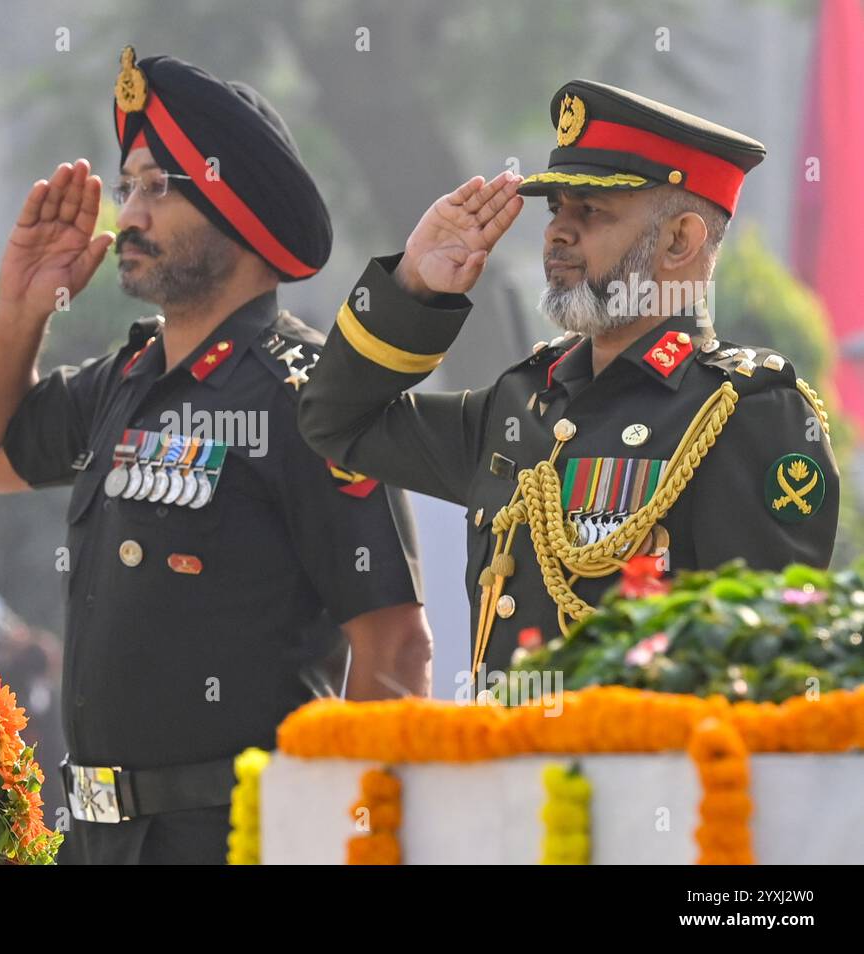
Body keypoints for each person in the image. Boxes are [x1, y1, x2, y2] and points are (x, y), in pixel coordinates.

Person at [0, 47, 430, 864]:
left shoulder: (311, 399)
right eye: (128, 186)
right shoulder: (126, 381)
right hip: (97, 837)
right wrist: (21, 308)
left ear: (238, 212)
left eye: (158, 189)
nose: (127, 213)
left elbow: (394, 645)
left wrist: (358, 842)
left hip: (239, 837)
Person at [299, 80, 838, 689]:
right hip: (504, 771)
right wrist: (412, 286)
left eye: (591, 211)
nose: (557, 232)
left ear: (680, 240)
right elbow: (335, 423)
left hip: (644, 776)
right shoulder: (520, 401)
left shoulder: (748, 413)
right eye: (556, 210)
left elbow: (764, 667)